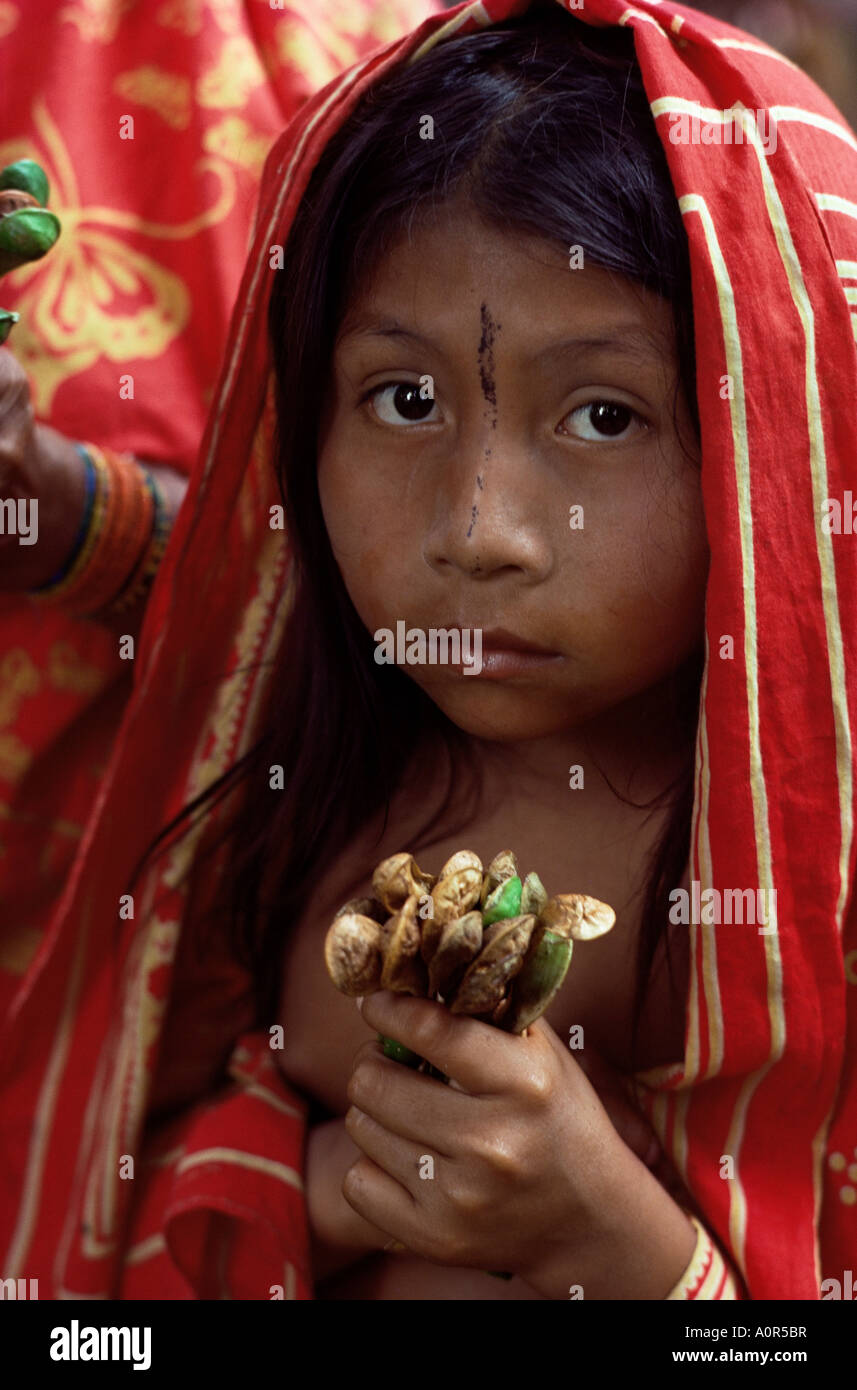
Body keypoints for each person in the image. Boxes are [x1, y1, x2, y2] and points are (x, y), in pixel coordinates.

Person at [2, 0, 855, 1300]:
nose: (481, 532)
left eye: (604, 414)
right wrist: (343, 1183)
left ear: (773, 444)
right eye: (403, 400)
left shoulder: (809, 878)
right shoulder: (303, 722)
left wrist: (622, 1240)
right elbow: (227, 586)